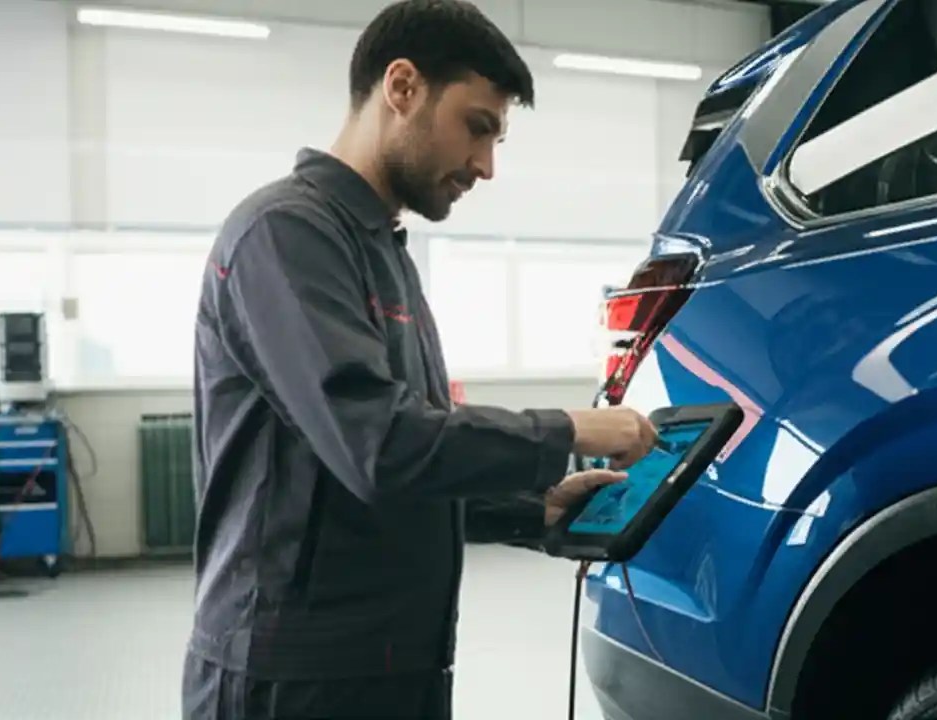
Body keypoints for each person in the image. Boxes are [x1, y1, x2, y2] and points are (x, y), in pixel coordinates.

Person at [181, 1, 657, 717]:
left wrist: (532, 508)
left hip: (392, 663)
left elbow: (395, 467)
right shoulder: (285, 234)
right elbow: (380, 446)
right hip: (293, 681)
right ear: (401, 87)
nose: (486, 166)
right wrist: (570, 428)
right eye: (477, 127)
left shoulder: (381, 250)